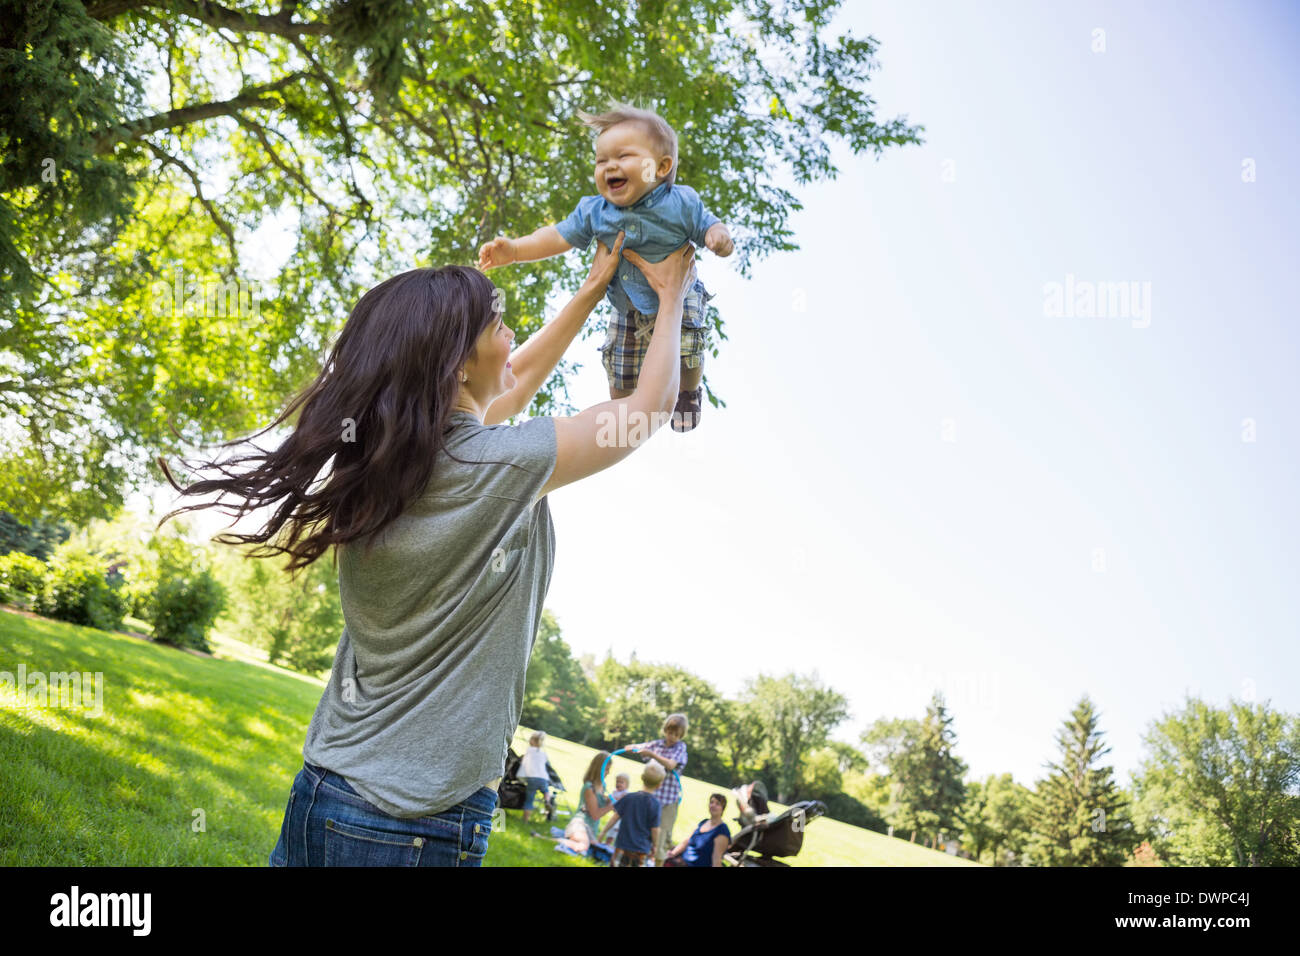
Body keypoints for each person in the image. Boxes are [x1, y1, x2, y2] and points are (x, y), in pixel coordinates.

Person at [160, 213, 701, 866]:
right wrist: (671, 296)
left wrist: (590, 292)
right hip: (411, 824)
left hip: (323, 792)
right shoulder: (499, 465)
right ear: (454, 363)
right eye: (496, 324)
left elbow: (511, 378)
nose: (510, 334)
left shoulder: (384, 463)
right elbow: (647, 408)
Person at [478, 99, 734, 432]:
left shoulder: (681, 203)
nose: (609, 166)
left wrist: (718, 238)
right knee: (618, 375)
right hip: (625, 307)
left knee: (689, 350)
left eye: (623, 156)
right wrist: (514, 250)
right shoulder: (595, 211)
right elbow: (557, 236)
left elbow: (709, 224)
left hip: (680, 297)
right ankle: (628, 409)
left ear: (660, 167)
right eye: (601, 160)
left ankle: (688, 393)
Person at [627, 713, 689, 864]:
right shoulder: (657, 744)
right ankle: (637, 862)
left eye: (676, 734)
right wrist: (632, 748)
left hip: (668, 802)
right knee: (642, 833)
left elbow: (670, 765)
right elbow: (637, 748)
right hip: (650, 799)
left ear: (681, 735)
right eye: (670, 732)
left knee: (660, 839)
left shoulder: (680, 747)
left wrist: (651, 755)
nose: (672, 736)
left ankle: (658, 863)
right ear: (665, 730)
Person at [546, 751, 617, 856]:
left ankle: (564, 836)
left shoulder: (602, 786)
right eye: (606, 769)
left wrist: (611, 801)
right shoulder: (589, 787)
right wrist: (612, 806)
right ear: (599, 769)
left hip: (591, 829)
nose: (608, 772)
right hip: (580, 824)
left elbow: (600, 803)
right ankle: (545, 838)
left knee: (593, 848)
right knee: (583, 846)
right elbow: (595, 814)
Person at [606, 762, 664, 867]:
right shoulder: (655, 804)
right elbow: (655, 829)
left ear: (642, 778)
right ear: (660, 784)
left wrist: (603, 833)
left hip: (622, 845)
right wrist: (655, 845)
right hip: (641, 850)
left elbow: (615, 817)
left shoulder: (629, 797)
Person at [665, 793, 732, 868]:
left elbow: (716, 859)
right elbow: (687, 841)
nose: (713, 805)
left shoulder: (722, 830)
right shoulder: (704, 822)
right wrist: (672, 854)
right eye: (711, 802)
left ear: (723, 809)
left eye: (717, 804)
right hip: (682, 860)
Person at [518, 731, 551, 823]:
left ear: (532, 741)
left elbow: (524, 764)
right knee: (546, 791)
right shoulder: (543, 754)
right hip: (543, 778)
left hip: (532, 778)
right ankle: (547, 801)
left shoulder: (529, 751)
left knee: (529, 800)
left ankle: (525, 821)